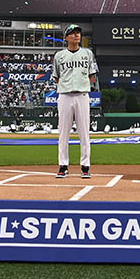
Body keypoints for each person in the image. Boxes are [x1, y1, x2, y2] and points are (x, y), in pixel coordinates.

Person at [52, 24, 97, 179]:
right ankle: (63, 166)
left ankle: (85, 167)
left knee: (84, 133)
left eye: (78, 33)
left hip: (82, 95)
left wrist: (84, 86)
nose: (76, 35)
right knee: (63, 133)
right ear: (66, 38)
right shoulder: (59, 56)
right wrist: (66, 86)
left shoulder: (87, 54)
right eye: (72, 33)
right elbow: (57, 77)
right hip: (64, 95)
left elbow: (93, 74)